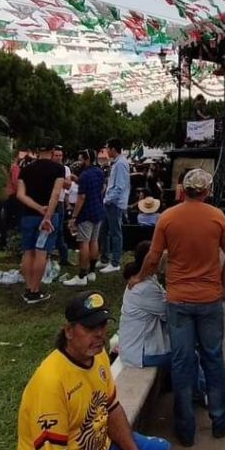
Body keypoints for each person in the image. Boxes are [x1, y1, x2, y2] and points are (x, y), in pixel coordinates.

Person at [133, 168, 225, 447]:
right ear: (206, 190)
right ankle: (221, 419)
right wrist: (222, 284)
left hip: (178, 300)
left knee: (182, 362)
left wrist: (139, 278)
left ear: (182, 190)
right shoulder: (217, 216)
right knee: (213, 358)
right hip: (208, 299)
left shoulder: (168, 217)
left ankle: (185, 429)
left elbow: (153, 257)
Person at [17, 289, 173, 450]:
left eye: (102, 325)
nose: (99, 333)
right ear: (68, 331)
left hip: (100, 447)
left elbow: (111, 407)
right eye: (90, 327)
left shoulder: (98, 355)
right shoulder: (51, 383)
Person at [16, 145, 66, 304]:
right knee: (41, 253)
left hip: (28, 215)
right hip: (49, 216)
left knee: (28, 252)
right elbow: (56, 194)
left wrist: (37, 207)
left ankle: (29, 287)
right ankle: (35, 291)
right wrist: (47, 215)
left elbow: (20, 195)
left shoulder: (26, 170)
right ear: (52, 152)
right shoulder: (58, 169)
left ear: (37, 152)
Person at [120, 242, 171, 369]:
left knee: (188, 349)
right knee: (188, 355)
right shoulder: (145, 288)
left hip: (137, 349)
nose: (163, 259)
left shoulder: (148, 279)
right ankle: (205, 388)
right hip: (140, 354)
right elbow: (171, 314)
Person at [67, 149, 106, 287]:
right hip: (98, 210)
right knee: (94, 241)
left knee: (83, 242)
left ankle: (82, 275)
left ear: (87, 160)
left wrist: (74, 216)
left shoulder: (84, 175)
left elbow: (81, 197)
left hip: (86, 213)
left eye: (81, 159)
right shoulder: (99, 172)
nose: (79, 162)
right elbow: (102, 188)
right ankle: (91, 272)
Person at [99, 138, 130, 274]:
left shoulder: (121, 164)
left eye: (107, 148)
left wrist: (107, 199)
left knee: (115, 233)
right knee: (103, 231)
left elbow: (120, 186)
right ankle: (105, 258)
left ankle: (115, 262)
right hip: (111, 202)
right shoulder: (117, 163)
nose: (106, 151)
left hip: (115, 203)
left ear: (112, 149)